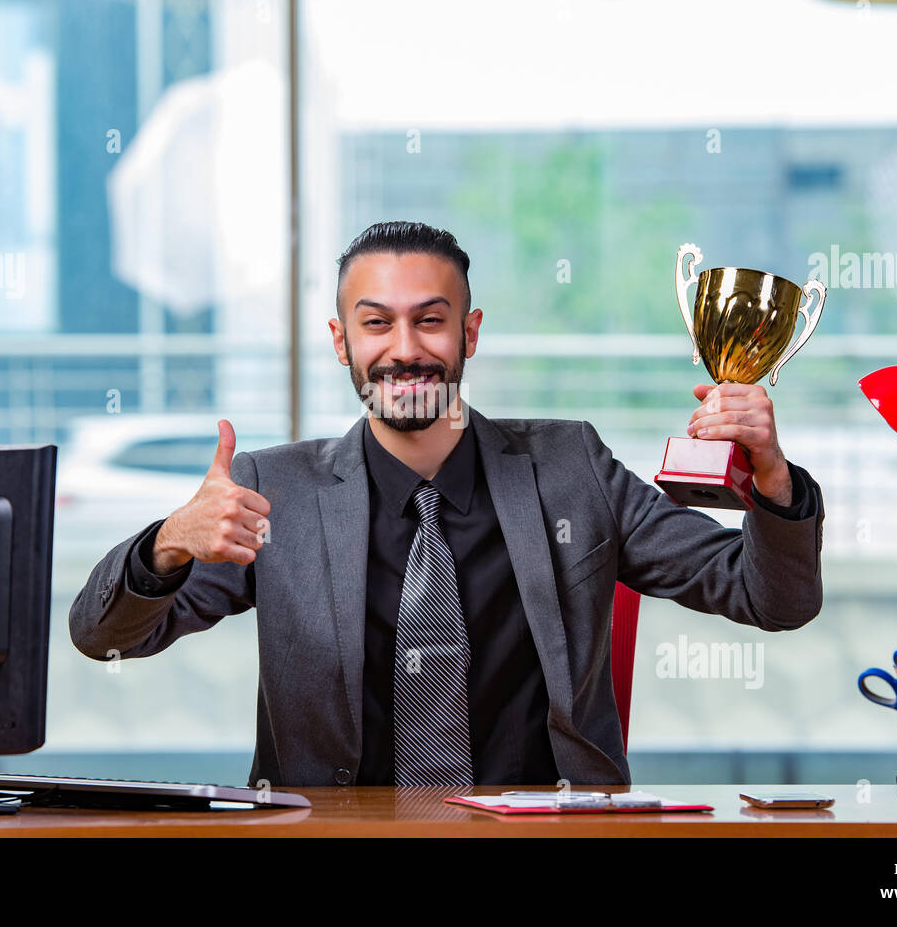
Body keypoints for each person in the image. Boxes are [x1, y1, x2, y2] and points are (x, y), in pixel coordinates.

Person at [69, 220, 824, 788]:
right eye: (376, 322)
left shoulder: (571, 467)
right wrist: (167, 542)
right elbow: (102, 637)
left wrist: (772, 477)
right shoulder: (277, 492)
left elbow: (771, 596)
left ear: (469, 333)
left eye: (430, 320)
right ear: (341, 341)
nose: (405, 348)